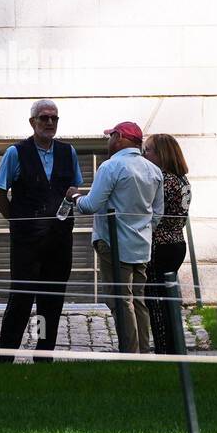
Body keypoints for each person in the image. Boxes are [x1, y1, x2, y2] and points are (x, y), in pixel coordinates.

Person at [0, 99, 84, 362]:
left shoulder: (69, 152)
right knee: (21, 298)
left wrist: (73, 196)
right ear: (32, 122)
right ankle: (6, 356)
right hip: (27, 241)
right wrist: (17, 223)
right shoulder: (16, 152)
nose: (49, 123)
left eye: (54, 118)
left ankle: (44, 354)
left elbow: (74, 188)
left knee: (52, 300)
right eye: (44, 118)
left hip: (59, 239)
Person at [68, 121, 163, 354]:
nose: (108, 141)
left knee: (121, 301)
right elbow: (158, 213)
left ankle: (130, 354)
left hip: (113, 243)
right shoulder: (153, 170)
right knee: (138, 300)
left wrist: (75, 196)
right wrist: (142, 229)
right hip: (141, 244)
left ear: (119, 137)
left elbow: (90, 205)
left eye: (110, 136)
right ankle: (143, 350)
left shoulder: (110, 167)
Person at [143, 133, 192, 355]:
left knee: (156, 300)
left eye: (149, 150)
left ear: (161, 153)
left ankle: (165, 351)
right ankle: (174, 347)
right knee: (169, 298)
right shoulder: (182, 179)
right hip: (177, 242)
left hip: (159, 244)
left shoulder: (163, 179)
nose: (145, 154)